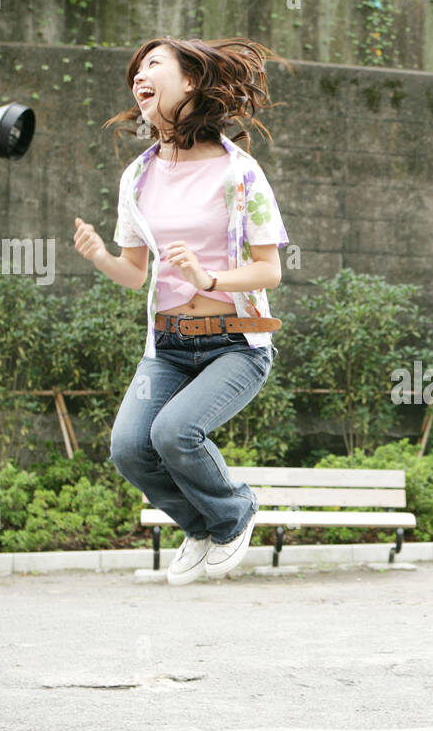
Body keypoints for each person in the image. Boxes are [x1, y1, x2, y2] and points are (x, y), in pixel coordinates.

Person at [72, 37, 290, 584]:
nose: (138, 78)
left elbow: (270, 271)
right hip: (168, 345)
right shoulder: (138, 178)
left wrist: (208, 277)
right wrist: (100, 256)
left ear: (190, 81)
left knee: (174, 432)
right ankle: (201, 525)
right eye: (135, 73)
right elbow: (134, 272)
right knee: (128, 449)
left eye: (152, 65)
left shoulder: (240, 174)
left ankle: (235, 513)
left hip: (236, 343)